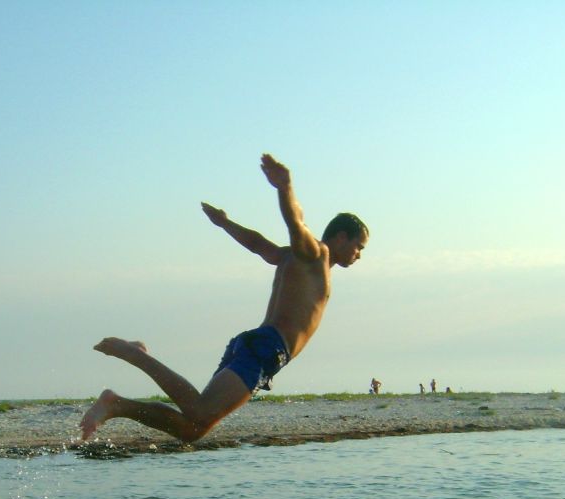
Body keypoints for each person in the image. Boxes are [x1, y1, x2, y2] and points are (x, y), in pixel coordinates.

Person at [80, 154, 369, 443]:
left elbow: (257, 244)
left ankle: (116, 405)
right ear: (341, 237)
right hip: (267, 348)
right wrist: (285, 188)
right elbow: (297, 224)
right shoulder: (316, 255)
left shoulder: (290, 258)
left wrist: (225, 223)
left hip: (258, 346)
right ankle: (135, 355)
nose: (359, 255)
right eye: (359, 246)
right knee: (200, 411)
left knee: (193, 428)